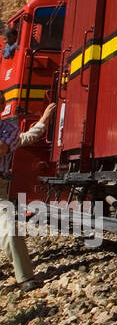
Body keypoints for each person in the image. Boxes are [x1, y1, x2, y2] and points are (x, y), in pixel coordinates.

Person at [0, 102, 56, 292]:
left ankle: (24, 276)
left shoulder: (8, 129)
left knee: (9, 227)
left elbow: (5, 147)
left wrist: (43, 122)